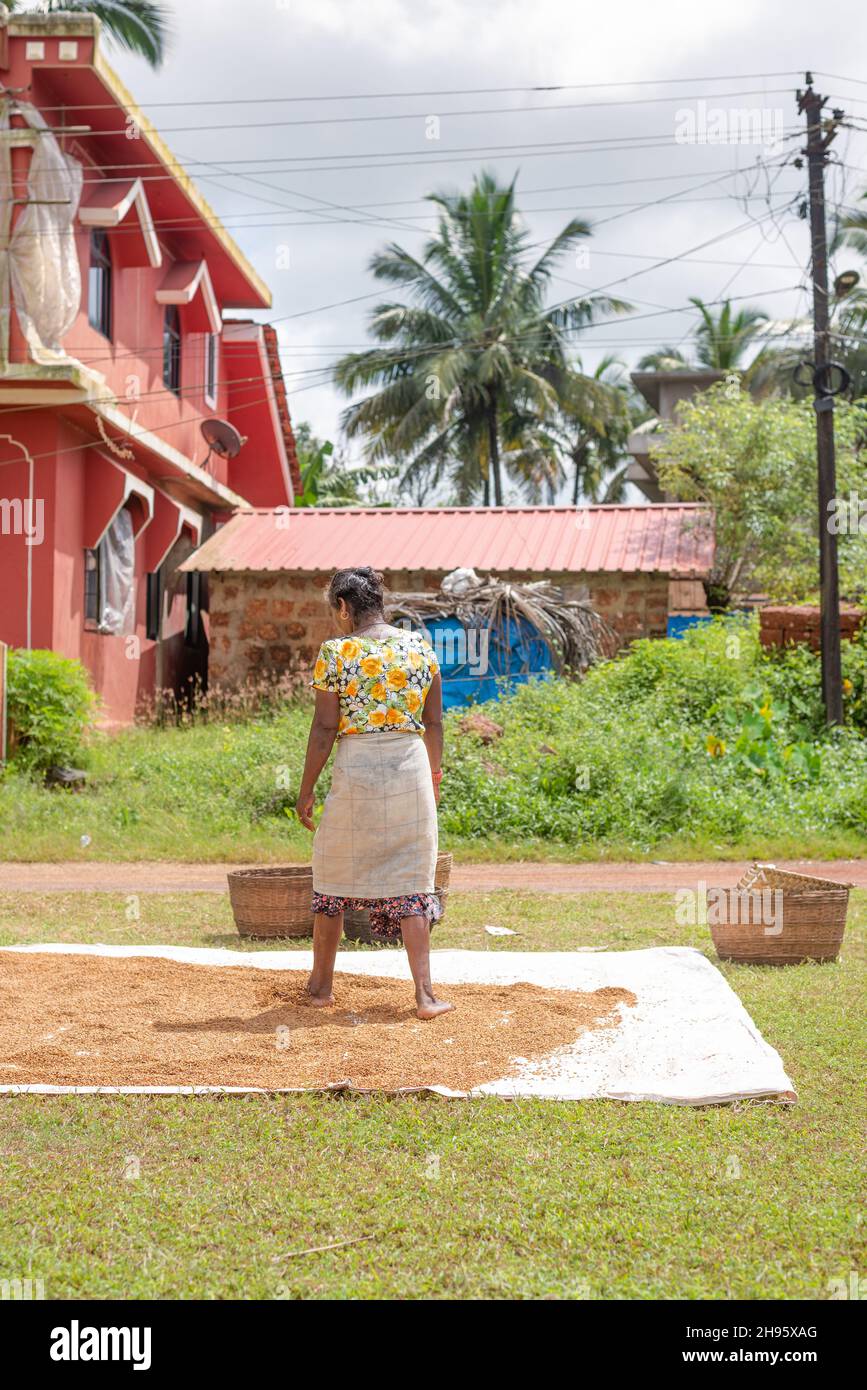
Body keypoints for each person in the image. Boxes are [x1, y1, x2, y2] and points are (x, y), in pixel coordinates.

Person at [295, 567, 452, 1020]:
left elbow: (326, 727)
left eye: (335, 610)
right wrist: (435, 774)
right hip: (410, 768)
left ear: (343, 607)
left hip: (357, 769)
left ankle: (321, 987)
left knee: (332, 871)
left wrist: (306, 790)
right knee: (412, 875)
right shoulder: (420, 647)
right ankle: (424, 997)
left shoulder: (337, 651)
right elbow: (435, 722)